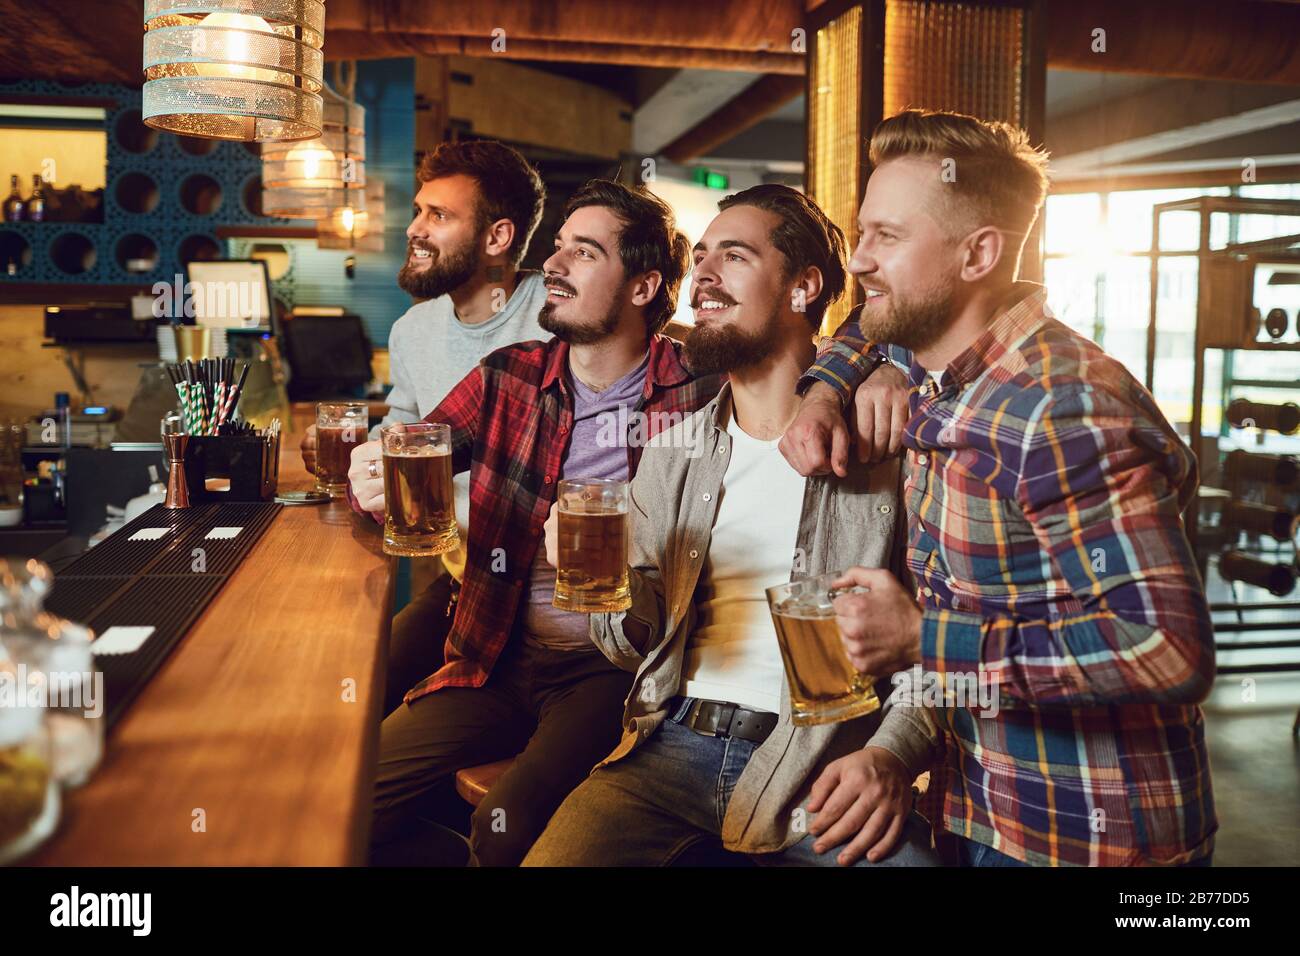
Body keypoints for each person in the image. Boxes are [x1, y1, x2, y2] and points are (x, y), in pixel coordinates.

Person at [786, 108, 1217, 867]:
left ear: (979, 253)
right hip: (976, 807)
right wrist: (827, 387)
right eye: (862, 234)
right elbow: (869, 319)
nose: (859, 261)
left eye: (887, 236)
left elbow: (1167, 649)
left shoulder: (1061, 404)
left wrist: (924, 636)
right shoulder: (943, 377)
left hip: (1089, 841)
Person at [523, 184, 939, 867]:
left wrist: (892, 753)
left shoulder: (887, 450)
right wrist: (606, 583)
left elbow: (946, 639)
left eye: (735, 257)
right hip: (668, 749)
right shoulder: (670, 451)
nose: (704, 277)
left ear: (804, 287)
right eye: (703, 258)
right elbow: (631, 648)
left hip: (826, 757)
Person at [302, 139, 550, 716]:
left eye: (439, 216)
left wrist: (812, 383)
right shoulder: (414, 329)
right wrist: (359, 454)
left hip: (540, 595)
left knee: (386, 714)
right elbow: (404, 436)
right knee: (353, 698)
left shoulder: (559, 314)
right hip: (464, 581)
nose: (415, 228)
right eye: (419, 210)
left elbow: (672, 346)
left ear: (497, 237)